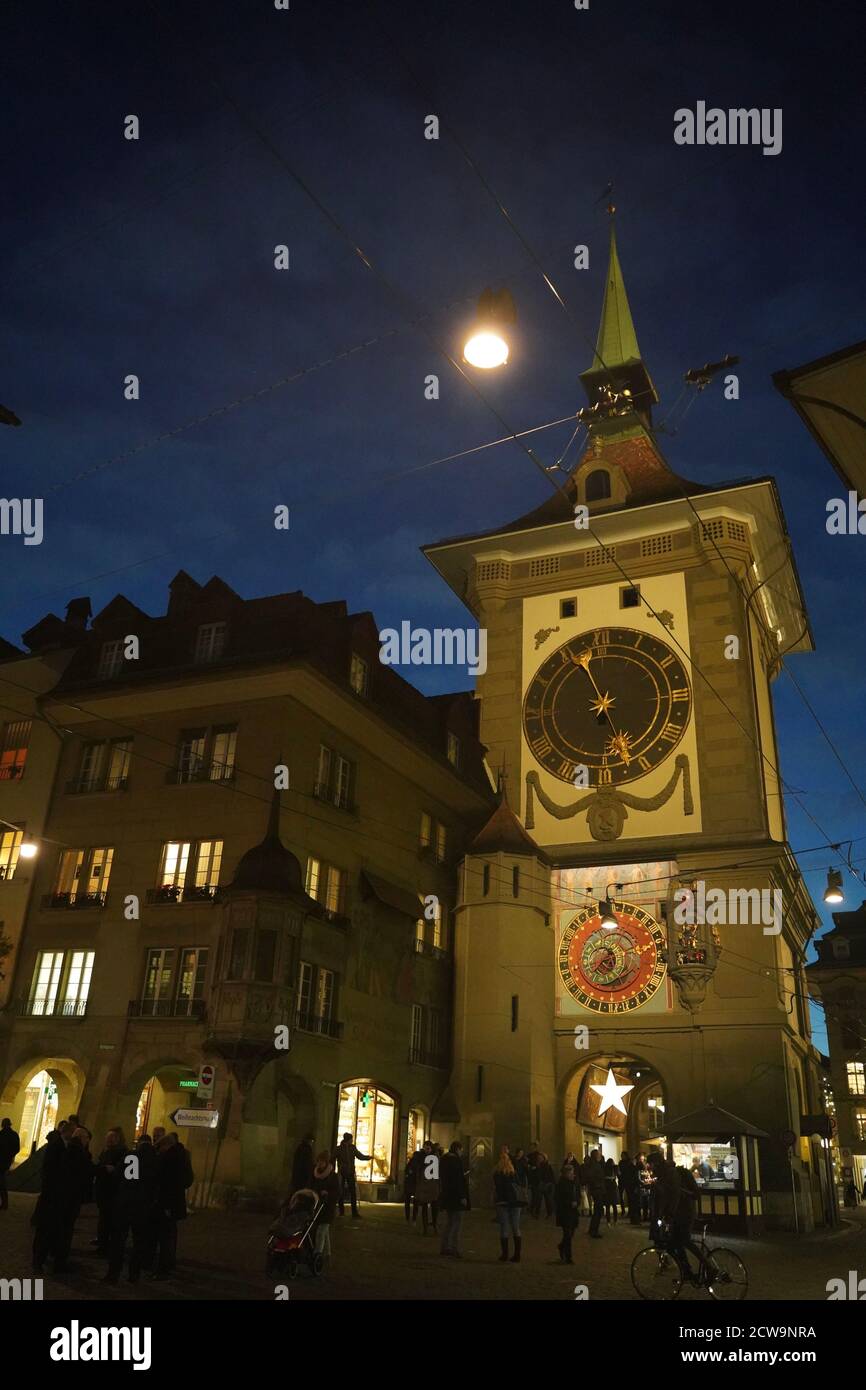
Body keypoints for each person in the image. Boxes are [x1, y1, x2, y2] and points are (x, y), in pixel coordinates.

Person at [104, 1135, 157, 1285]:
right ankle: (134, 1274)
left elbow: (119, 1175)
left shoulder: (132, 1156)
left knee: (118, 1240)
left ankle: (113, 1273)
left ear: (139, 1143)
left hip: (125, 1203)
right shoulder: (155, 1159)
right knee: (139, 1241)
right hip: (143, 1205)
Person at [647, 1151, 703, 1283]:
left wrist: (669, 1215)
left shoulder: (670, 1174)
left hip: (683, 1213)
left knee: (683, 1241)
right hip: (680, 1213)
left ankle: (709, 1268)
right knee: (675, 1243)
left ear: (656, 1163)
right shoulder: (663, 1175)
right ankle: (687, 1272)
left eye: (651, 1164)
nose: (650, 1167)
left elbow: (674, 1195)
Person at [149, 1132, 188, 1280]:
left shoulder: (170, 1159)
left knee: (165, 1237)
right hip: (174, 1203)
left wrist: (165, 1205)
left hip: (167, 1204)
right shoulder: (182, 1156)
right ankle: (168, 1264)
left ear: (166, 1146)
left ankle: (163, 1269)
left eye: (160, 1147)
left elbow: (166, 1183)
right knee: (170, 1235)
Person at [93, 1128, 127, 1256]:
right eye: (107, 1138)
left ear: (116, 1140)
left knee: (108, 1220)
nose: (108, 1141)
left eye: (111, 1139)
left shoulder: (121, 1152)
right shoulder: (106, 1151)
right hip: (104, 1190)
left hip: (111, 1191)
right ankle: (103, 1243)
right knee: (104, 1219)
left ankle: (106, 1246)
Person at [438, 1141, 470, 1257]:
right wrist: (462, 1196)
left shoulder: (444, 1159)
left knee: (449, 1222)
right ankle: (454, 1247)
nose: (461, 1152)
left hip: (447, 1195)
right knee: (457, 1222)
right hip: (456, 1197)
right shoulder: (455, 1161)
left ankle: (444, 1246)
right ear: (457, 1149)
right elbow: (457, 1181)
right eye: (461, 1150)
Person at [493, 1147, 524, 1262]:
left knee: (504, 1227)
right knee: (516, 1227)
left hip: (502, 1202)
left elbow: (497, 1188)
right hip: (515, 1202)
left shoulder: (497, 1173)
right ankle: (517, 1255)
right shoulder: (513, 1172)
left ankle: (504, 1254)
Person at [311, 1151, 339, 1263]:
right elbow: (311, 1186)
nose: (319, 1164)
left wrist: (328, 1193)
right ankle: (327, 1253)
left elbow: (337, 1192)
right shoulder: (315, 1174)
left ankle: (317, 1253)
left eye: (321, 1161)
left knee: (321, 1231)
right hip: (317, 1206)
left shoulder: (333, 1176)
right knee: (324, 1231)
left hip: (327, 1207)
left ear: (326, 1162)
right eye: (318, 1161)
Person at [335, 1132, 370, 1218]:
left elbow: (359, 1156)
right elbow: (359, 1156)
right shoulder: (340, 1148)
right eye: (351, 1139)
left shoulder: (351, 1148)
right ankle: (342, 1211)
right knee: (341, 1192)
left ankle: (353, 1212)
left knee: (352, 1192)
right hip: (342, 1172)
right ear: (348, 1139)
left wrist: (367, 1157)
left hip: (350, 1172)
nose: (352, 1140)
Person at [554, 1161, 580, 1263]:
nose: (572, 1174)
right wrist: (569, 1203)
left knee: (571, 1233)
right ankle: (568, 1257)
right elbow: (558, 1198)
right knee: (568, 1234)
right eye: (570, 1173)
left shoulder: (575, 1183)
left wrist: (577, 1203)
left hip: (573, 1212)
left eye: (572, 1172)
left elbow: (578, 1195)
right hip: (565, 1212)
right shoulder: (561, 1184)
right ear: (565, 1174)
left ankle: (561, 1246)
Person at [415, 1139, 440, 1235]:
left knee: (434, 1207)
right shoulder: (422, 1157)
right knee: (425, 1207)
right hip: (425, 1185)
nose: (426, 1150)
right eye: (425, 1148)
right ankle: (426, 1227)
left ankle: (433, 1226)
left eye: (428, 1148)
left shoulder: (434, 1157)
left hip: (432, 1184)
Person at [0, 1117, 21, 1210]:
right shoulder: (14, 1134)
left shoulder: (1, 1134)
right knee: (2, 1181)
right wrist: (10, 1156)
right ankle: (4, 1203)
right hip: (6, 1161)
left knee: (1, 1182)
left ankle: (4, 1203)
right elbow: (17, 1148)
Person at [585, 1149, 607, 1238]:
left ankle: (592, 1229)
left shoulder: (595, 1164)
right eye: (599, 1154)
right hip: (597, 1190)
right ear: (596, 1156)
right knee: (598, 1211)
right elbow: (592, 1177)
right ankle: (594, 1231)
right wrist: (598, 1185)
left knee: (597, 1211)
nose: (600, 1156)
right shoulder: (594, 1165)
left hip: (597, 1189)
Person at [619, 1151, 641, 1225]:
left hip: (628, 1184)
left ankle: (632, 1216)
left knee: (632, 1201)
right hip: (630, 1185)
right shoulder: (632, 1167)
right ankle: (634, 1218)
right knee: (633, 1201)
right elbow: (635, 1177)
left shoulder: (630, 1166)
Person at [537, 1152, 556, 1218]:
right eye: (538, 1158)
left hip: (547, 1184)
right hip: (543, 1183)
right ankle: (538, 1213)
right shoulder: (540, 1165)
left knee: (547, 1199)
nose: (539, 1159)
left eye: (540, 1158)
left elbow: (548, 1175)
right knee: (540, 1199)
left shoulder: (546, 1165)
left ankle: (549, 1213)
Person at [403, 1149, 418, 1222]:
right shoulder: (418, 1164)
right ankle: (414, 1218)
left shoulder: (410, 1163)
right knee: (415, 1203)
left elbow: (406, 1172)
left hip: (409, 1185)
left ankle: (407, 1217)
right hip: (415, 1185)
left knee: (408, 1202)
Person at [603, 1157, 619, 1225]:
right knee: (614, 1205)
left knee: (608, 1206)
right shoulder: (614, 1168)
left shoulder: (605, 1169)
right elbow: (618, 1174)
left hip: (607, 1188)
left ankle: (608, 1221)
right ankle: (615, 1220)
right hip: (613, 1187)